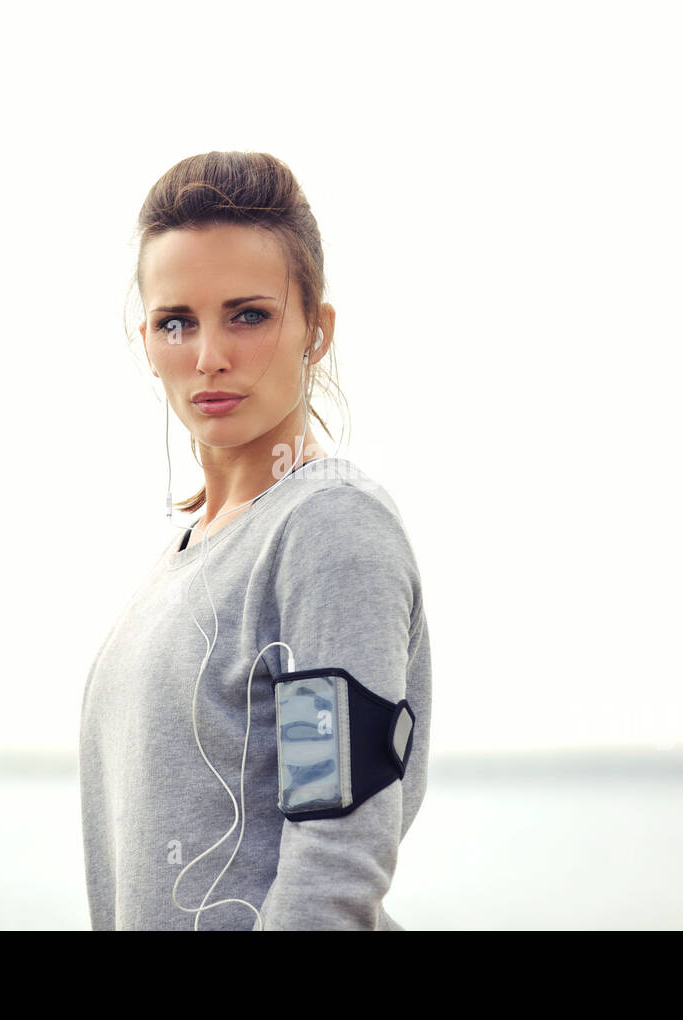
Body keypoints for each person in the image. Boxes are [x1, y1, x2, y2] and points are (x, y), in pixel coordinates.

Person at [79, 151, 433, 930]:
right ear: (147, 340)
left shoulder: (327, 532)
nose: (209, 356)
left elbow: (335, 859)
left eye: (249, 315)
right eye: (178, 322)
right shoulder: (181, 560)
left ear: (316, 329)